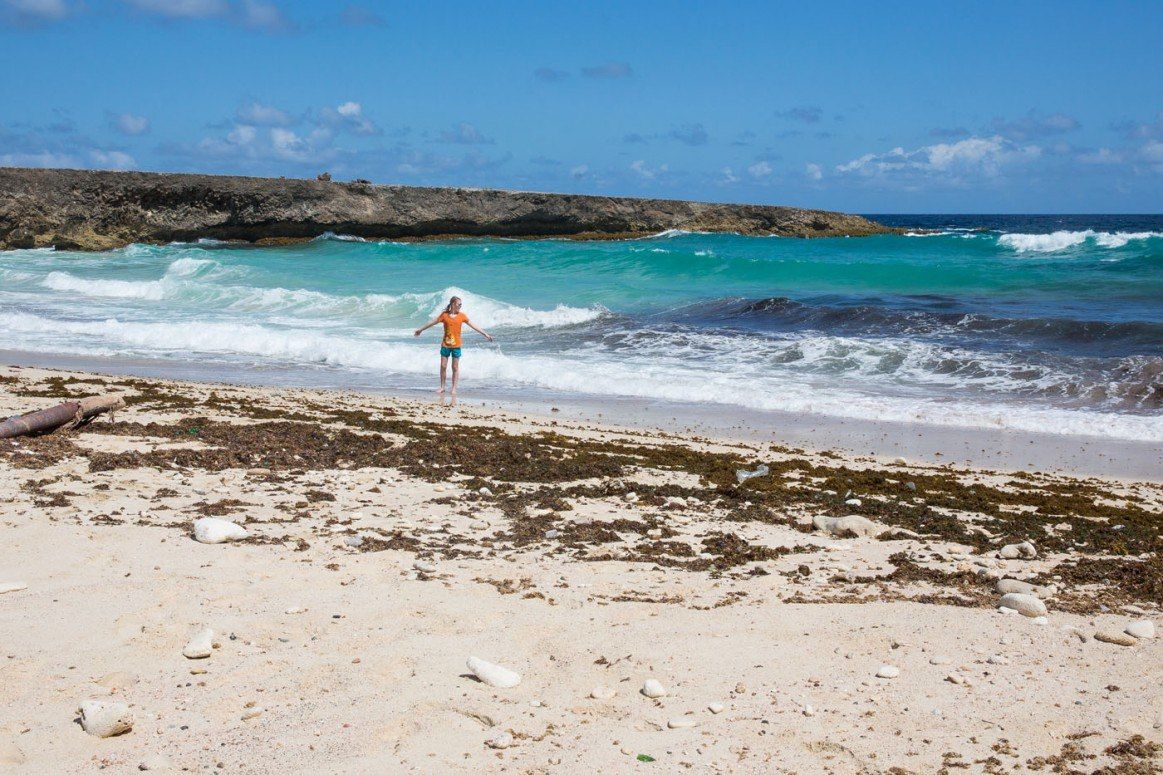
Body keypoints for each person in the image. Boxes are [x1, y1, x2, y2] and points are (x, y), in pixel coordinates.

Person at [414, 296, 493, 396]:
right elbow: (432, 322)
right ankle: (442, 387)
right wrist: (421, 329)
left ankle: (454, 388)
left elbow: (473, 325)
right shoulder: (444, 315)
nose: (460, 306)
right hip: (445, 345)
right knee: (443, 366)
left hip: (456, 346)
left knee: (454, 367)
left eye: (461, 304)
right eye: (458, 304)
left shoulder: (462, 316)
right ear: (452, 304)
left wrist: (485, 334)